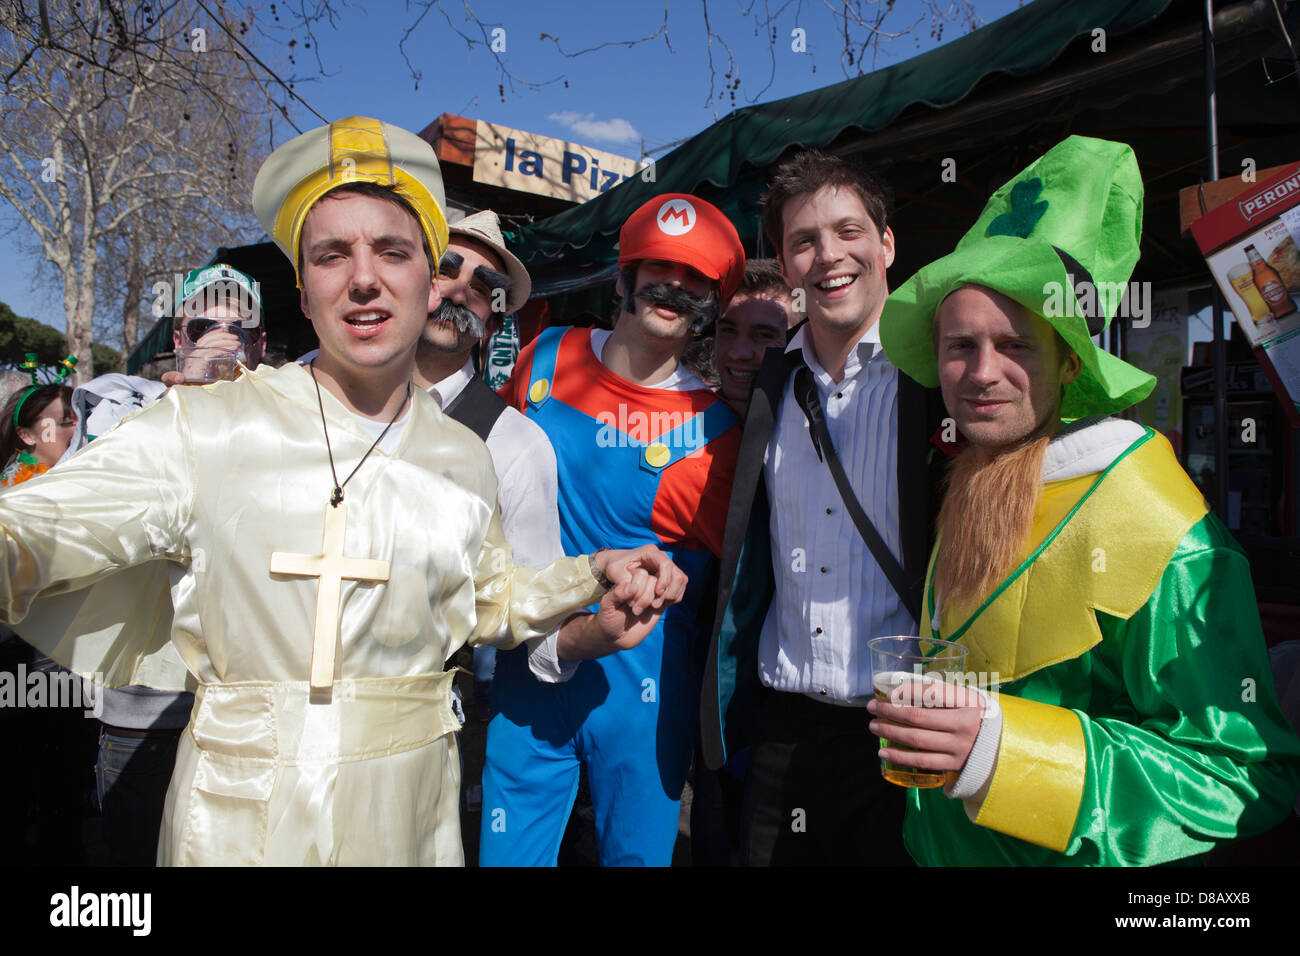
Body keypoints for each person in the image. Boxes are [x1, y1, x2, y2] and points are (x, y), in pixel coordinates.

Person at [0, 115, 687, 866]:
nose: (364, 276)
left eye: (392, 251)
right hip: (240, 829)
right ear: (303, 290)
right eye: (333, 255)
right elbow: (32, 532)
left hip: (411, 821)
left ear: (427, 278)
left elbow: (489, 596)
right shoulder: (208, 426)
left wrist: (590, 573)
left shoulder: (467, 455)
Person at [872, 134, 1300, 865]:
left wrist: (1004, 753)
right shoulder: (972, 475)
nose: (982, 374)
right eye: (959, 346)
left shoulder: (1158, 520)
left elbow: (1241, 776)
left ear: (1071, 360)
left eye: (1017, 345)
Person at [699, 150, 948, 866]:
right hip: (787, 730)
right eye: (804, 241)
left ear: (887, 244)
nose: (828, 255)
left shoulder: (937, 374)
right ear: (784, 259)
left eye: (848, 231)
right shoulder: (768, 387)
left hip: (909, 727)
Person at [480, 193, 745, 867]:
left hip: (646, 686)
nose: (673, 286)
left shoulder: (721, 432)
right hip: (529, 666)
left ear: (712, 303)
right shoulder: (544, 357)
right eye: (658, 265)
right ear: (623, 274)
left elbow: (732, 587)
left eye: (695, 280)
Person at [713, 258, 796, 414]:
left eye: (763, 335)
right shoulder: (680, 431)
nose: (738, 353)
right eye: (729, 331)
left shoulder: (830, 422)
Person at [1, 377, 76, 485]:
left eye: (83, 420)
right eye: (66, 422)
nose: (78, 428)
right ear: (26, 435)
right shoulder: (15, 494)